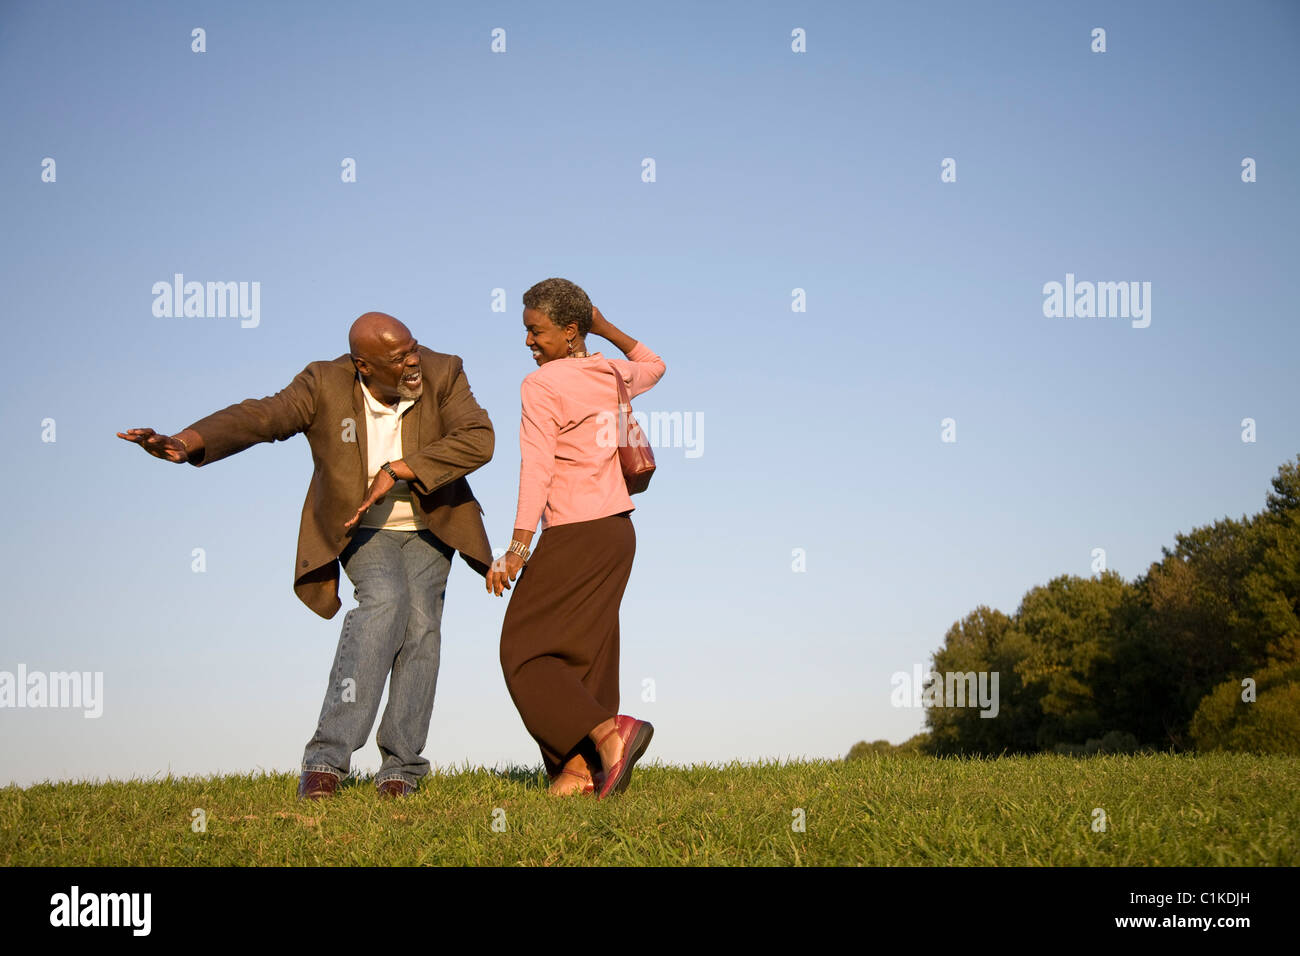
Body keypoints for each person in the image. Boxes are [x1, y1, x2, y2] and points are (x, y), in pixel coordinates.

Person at [117, 312, 495, 800]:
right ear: (363, 365)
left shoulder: (444, 372)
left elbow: (478, 438)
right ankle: (325, 762)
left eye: (413, 349)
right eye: (399, 357)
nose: (413, 362)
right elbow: (261, 416)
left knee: (422, 628)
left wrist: (401, 468)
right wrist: (188, 442)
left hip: (431, 525)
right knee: (385, 602)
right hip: (360, 526)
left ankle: (402, 768)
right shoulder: (324, 383)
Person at [488, 278, 666, 799]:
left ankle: (611, 735)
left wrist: (518, 547)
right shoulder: (611, 372)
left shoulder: (540, 385)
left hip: (574, 532)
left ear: (569, 331)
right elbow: (655, 364)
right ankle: (580, 771)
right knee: (590, 653)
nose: (527, 341)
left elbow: (537, 468)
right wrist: (603, 326)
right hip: (617, 533)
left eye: (536, 330)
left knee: (522, 651)